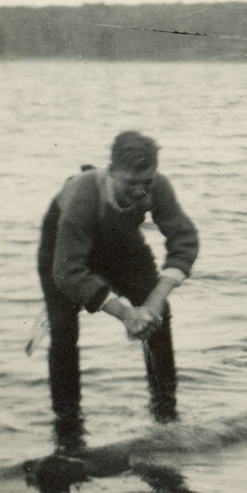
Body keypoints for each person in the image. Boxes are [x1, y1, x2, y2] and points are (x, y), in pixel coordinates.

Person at [37, 132, 199, 449]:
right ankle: (68, 432)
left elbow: (185, 241)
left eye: (147, 182)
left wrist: (151, 306)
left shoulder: (158, 186)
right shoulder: (84, 195)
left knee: (160, 318)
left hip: (120, 240)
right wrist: (126, 314)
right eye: (131, 183)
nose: (140, 191)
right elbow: (68, 272)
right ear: (111, 171)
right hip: (63, 251)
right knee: (64, 330)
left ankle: (166, 415)